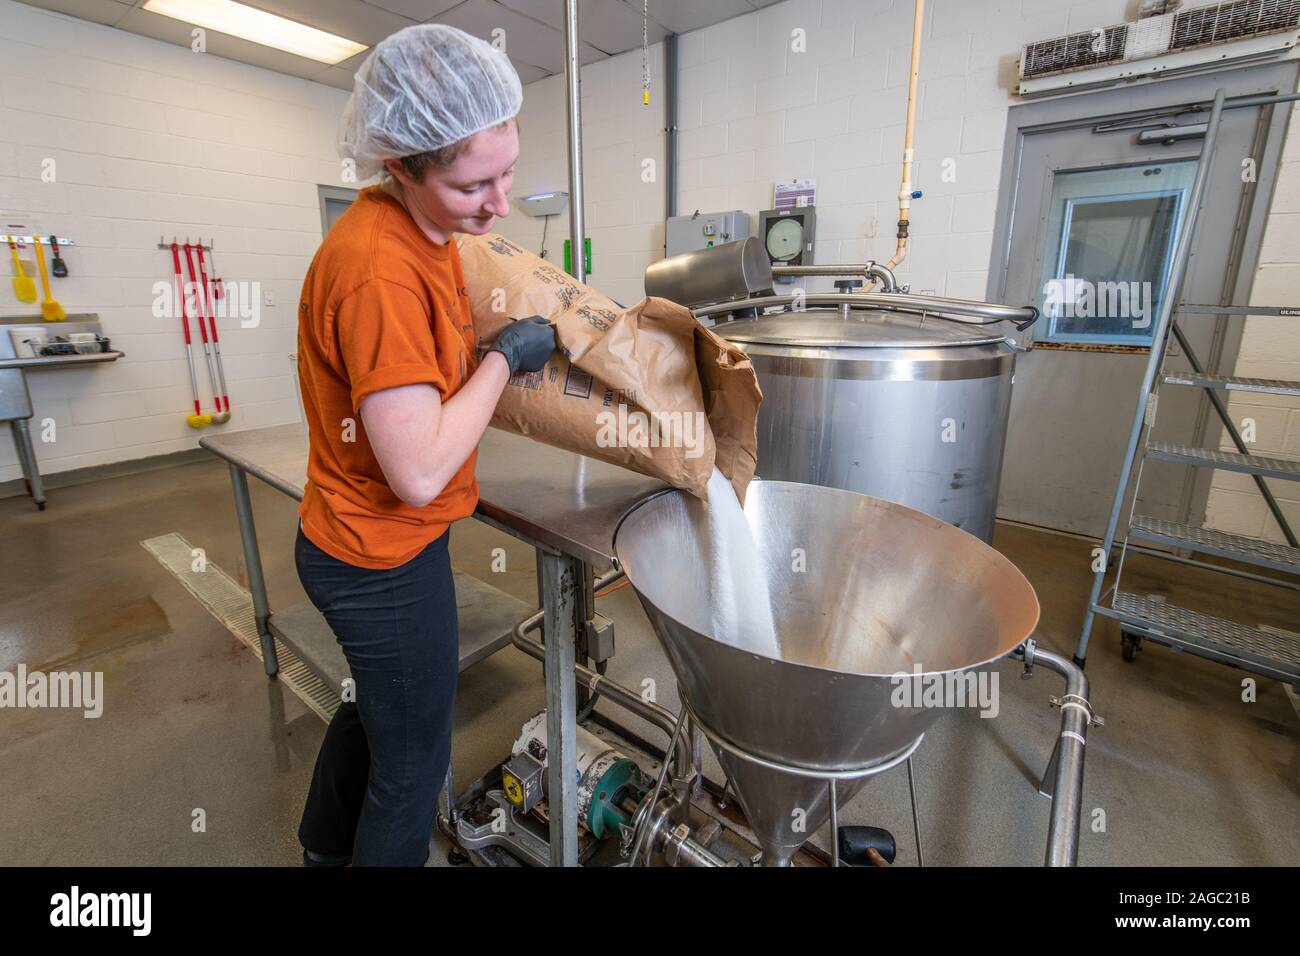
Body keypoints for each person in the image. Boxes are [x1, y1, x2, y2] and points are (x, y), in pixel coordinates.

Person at [292, 24, 555, 867]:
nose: (500, 202)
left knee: (379, 713)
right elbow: (418, 468)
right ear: (400, 163)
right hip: (380, 557)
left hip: (360, 540)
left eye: (507, 171)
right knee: (412, 768)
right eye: (474, 184)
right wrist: (503, 360)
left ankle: (322, 851)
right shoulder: (379, 268)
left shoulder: (421, 232)